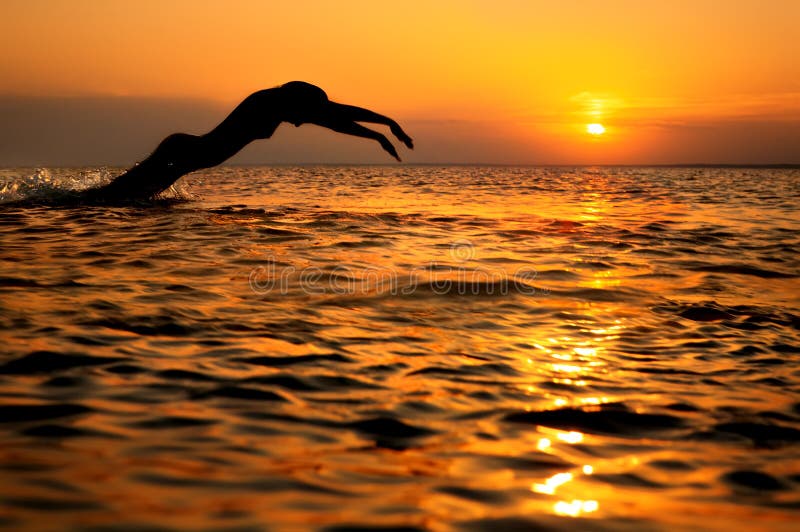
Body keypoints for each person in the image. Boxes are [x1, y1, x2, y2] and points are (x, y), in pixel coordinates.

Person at [88, 81, 414, 200]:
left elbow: (335, 113)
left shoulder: (278, 101)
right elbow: (334, 120)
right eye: (305, 114)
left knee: (125, 199)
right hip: (185, 153)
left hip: (186, 154)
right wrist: (377, 134)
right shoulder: (272, 103)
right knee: (112, 200)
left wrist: (387, 125)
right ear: (297, 103)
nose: (302, 123)